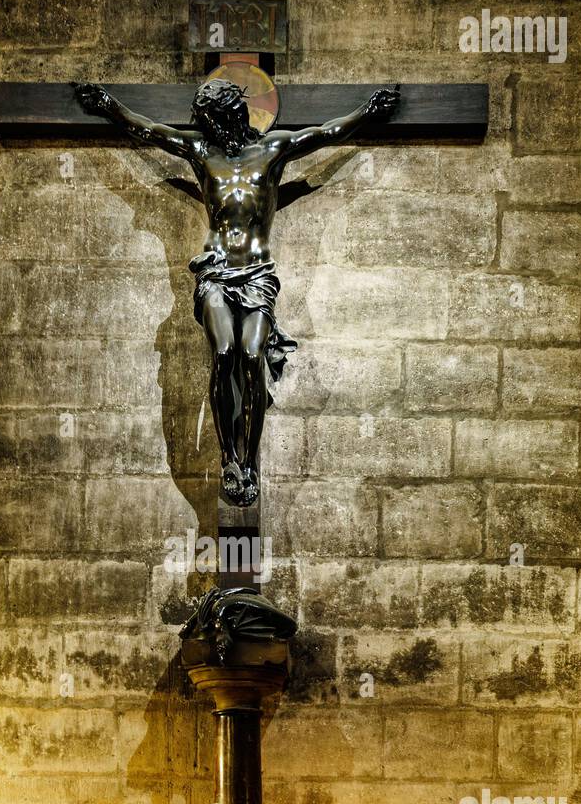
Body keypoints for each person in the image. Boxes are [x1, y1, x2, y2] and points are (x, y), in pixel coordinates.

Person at [74, 77, 399, 506]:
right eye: (207, 121)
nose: (214, 129)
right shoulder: (202, 151)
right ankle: (230, 458)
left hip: (258, 274)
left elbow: (325, 133)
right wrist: (109, 106)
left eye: (219, 119)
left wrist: (367, 111)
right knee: (224, 352)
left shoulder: (272, 149)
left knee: (251, 357)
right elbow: (149, 130)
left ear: (237, 112)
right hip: (215, 270)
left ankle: (250, 460)